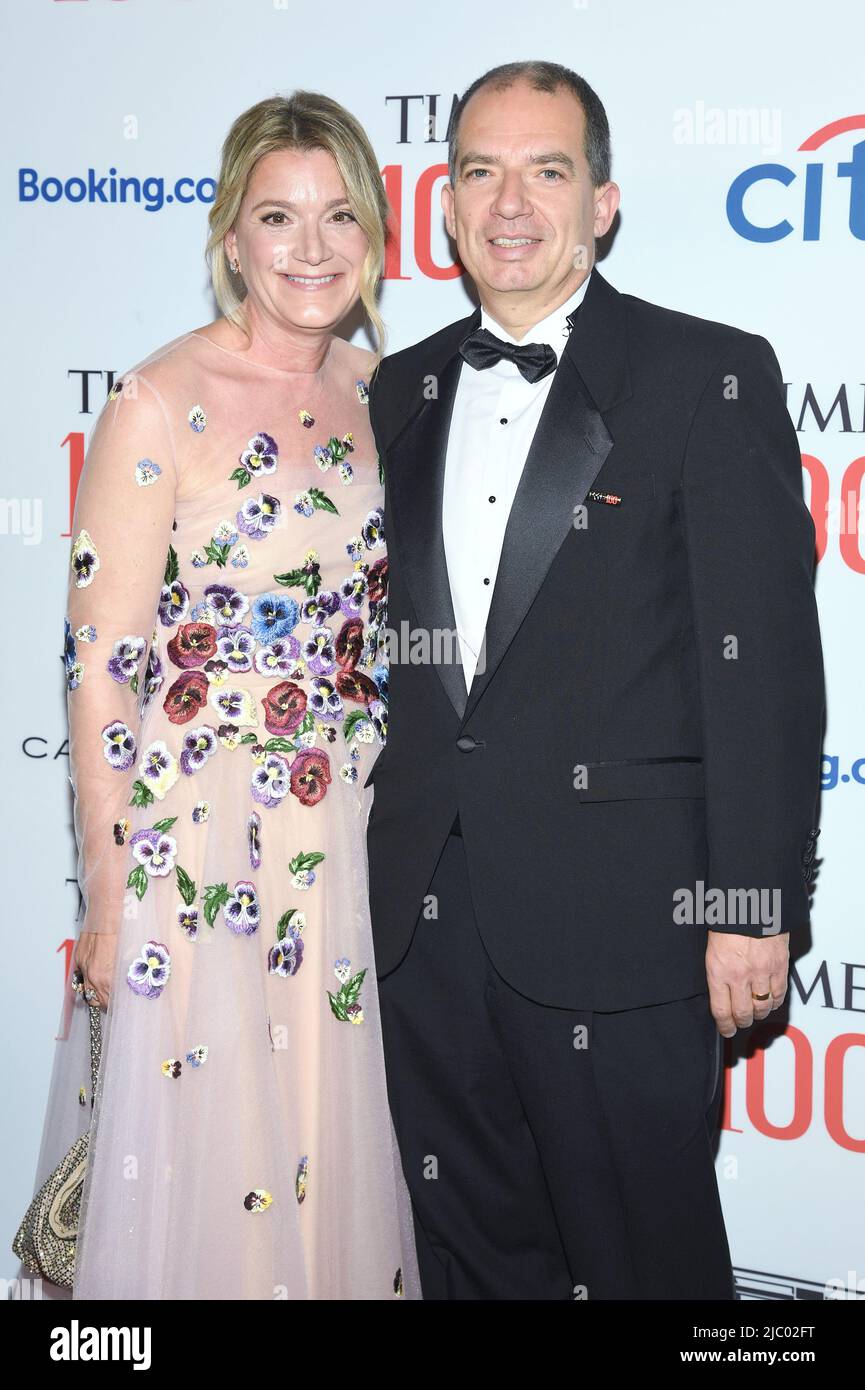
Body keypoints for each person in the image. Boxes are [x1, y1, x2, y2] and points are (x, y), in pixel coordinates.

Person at [365, 61, 824, 1300]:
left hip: (626, 925)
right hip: (418, 922)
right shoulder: (393, 389)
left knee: (649, 1267)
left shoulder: (705, 375)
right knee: (468, 1265)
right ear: (445, 203)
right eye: (479, 171)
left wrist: (752, 900)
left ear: (604, 200)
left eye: (546, 170)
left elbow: (766, 666)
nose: (510, 203)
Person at [29, 91, 420, 1300]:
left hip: (357, 830)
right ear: (230, 238)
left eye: (339, 214)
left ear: (376, 231)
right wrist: (105, 889)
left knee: (338, 1142)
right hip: (203, 848)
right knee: (216, 1162)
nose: (311, 247)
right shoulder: (157, 402)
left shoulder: (390, 391)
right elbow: (103, 666)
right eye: (278, 217)